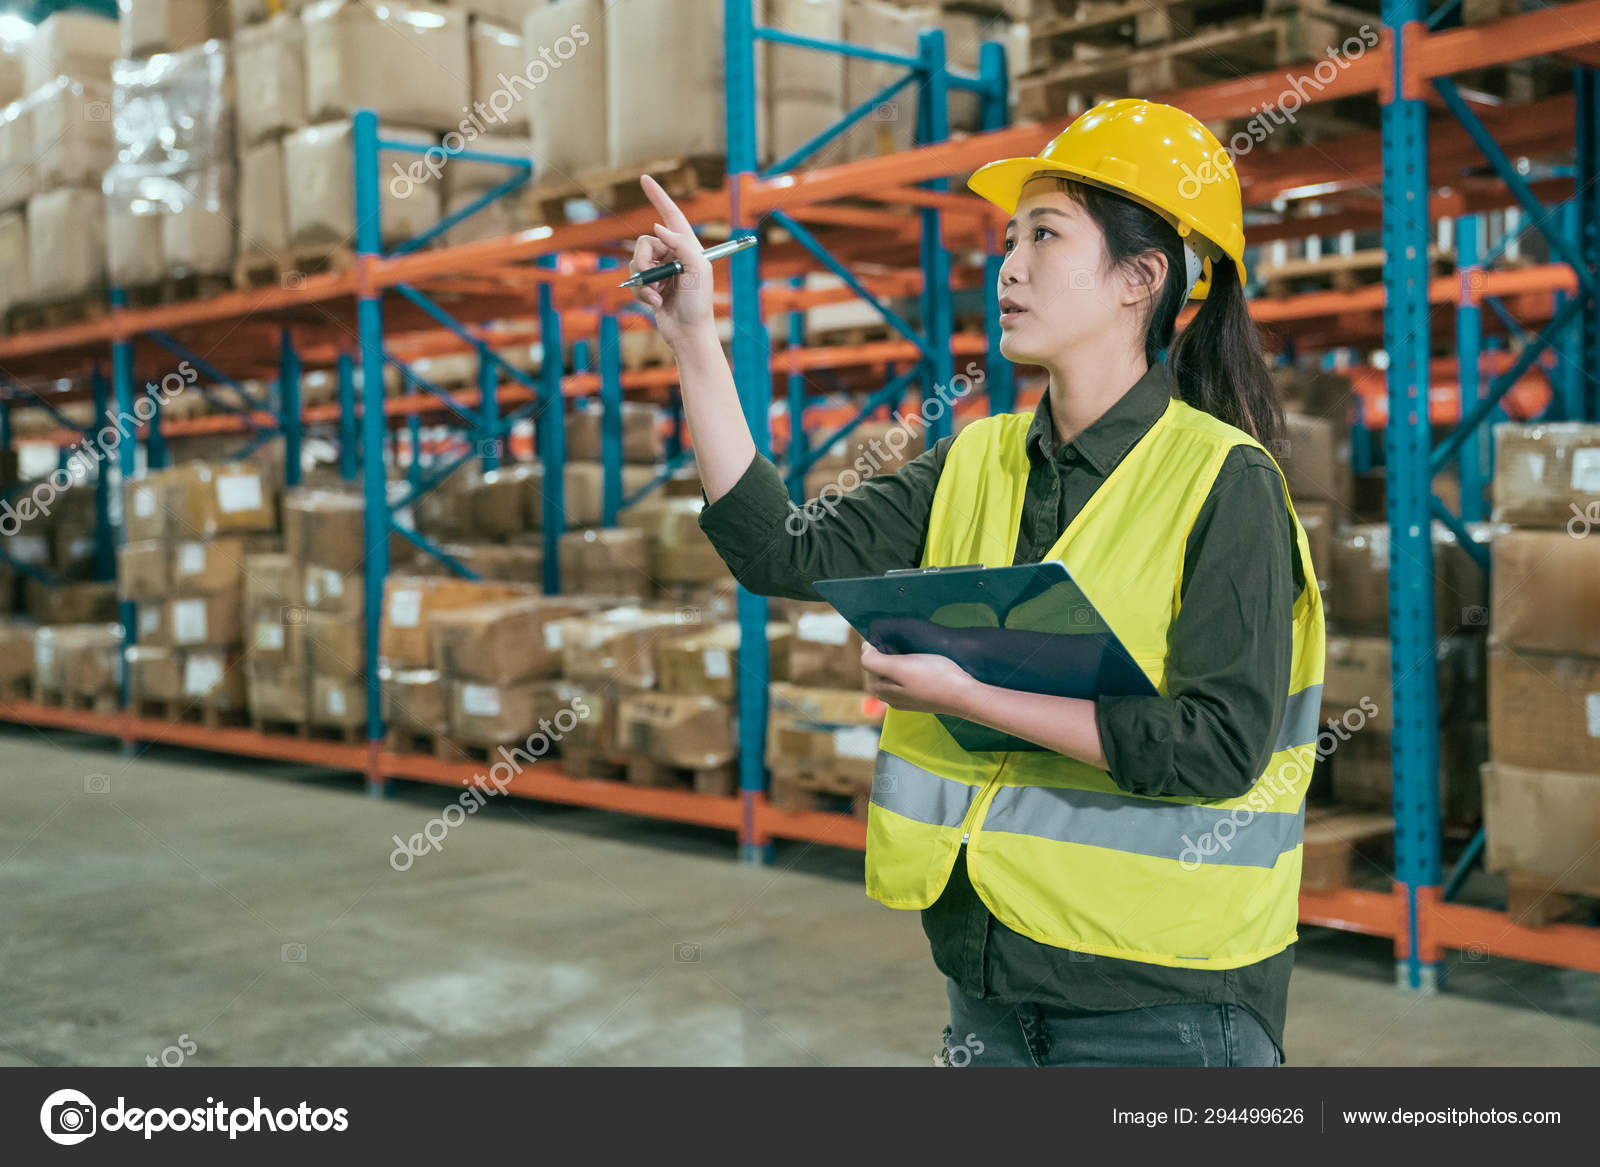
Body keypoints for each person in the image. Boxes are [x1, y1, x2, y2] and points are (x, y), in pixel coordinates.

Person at [627, 98, 1326, 1068]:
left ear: (1140, 278)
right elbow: (778, 551)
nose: (1007, 267)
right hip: (987, 987)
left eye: (1044, 235)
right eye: (1007, 239)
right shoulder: (974, 459)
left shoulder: (1225, 482)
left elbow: (1215, 751)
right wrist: (695, 341)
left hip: (1161, 1006)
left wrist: (970, 697)